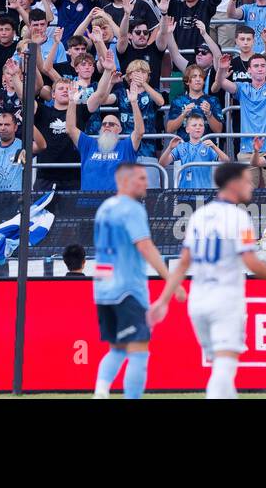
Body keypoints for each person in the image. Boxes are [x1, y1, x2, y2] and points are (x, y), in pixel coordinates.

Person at [148, 161, 266, 399]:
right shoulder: (238, 217)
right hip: (225, 299)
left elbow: (183, 263)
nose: (251, 184)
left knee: (221, 368)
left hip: (198, 301)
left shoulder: (200, 215)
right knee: (225, 365)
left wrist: (162, 300)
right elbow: (252, 263)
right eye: (245, 179)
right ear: (233, 184)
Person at [90, 161, 177, 399]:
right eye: (140, 178)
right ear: (125, 181)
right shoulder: (132, 208)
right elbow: (145, 246)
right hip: (126, 288)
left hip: (103, 289)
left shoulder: (105, 208)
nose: (146, 182)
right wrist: (170, 278)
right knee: (139, 350)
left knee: (117, 348)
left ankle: (100, 392)